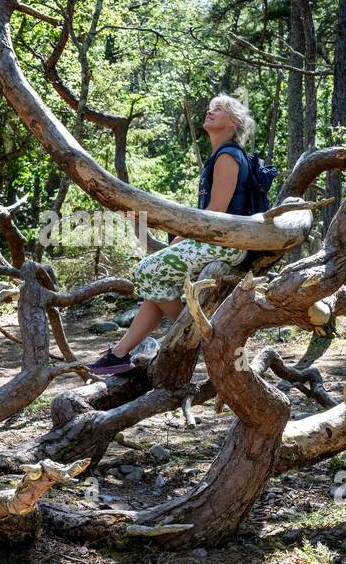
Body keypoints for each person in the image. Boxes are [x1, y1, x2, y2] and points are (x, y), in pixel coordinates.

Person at [86, 93, 255, 376]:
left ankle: (206, 338)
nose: (210, 111)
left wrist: (181, 238)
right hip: (217, 240)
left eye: (219, 109)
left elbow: (215, 213)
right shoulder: (221, 155)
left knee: (145, 271)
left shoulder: (228, 156)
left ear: (233, 122)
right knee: (156, 290)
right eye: (210, 107)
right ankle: (118, 355)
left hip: (225, 243)